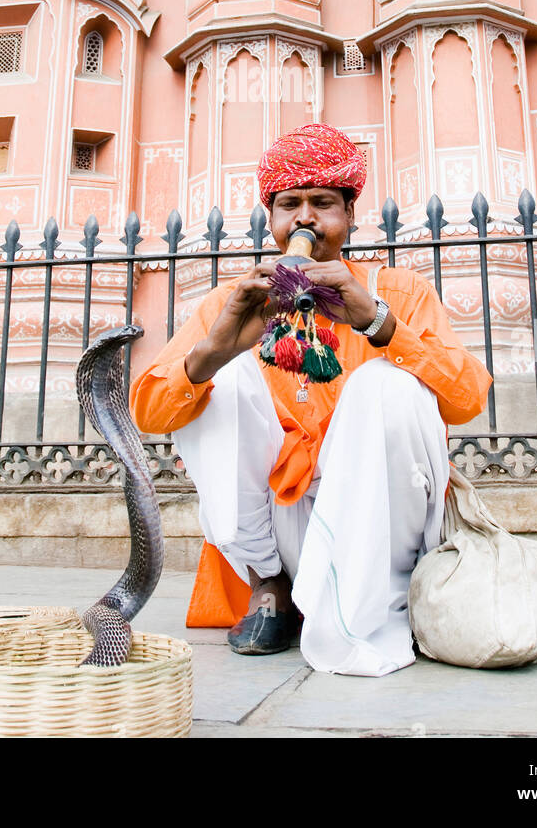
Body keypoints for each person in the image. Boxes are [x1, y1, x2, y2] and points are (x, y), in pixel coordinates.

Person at [130, 123, 492, 676]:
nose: (305, 218)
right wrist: (215, 351)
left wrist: (378, 322)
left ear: (348, 216)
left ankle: (379, 598)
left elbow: (466, 399)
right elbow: (151, 412)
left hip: (380, 526)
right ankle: (269, 585)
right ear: (271, 220)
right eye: (289, 204)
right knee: (220, 380)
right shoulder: (236, 299)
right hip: (281, 526)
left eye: (322, 203)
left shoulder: (398, 293)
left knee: (385, 384)